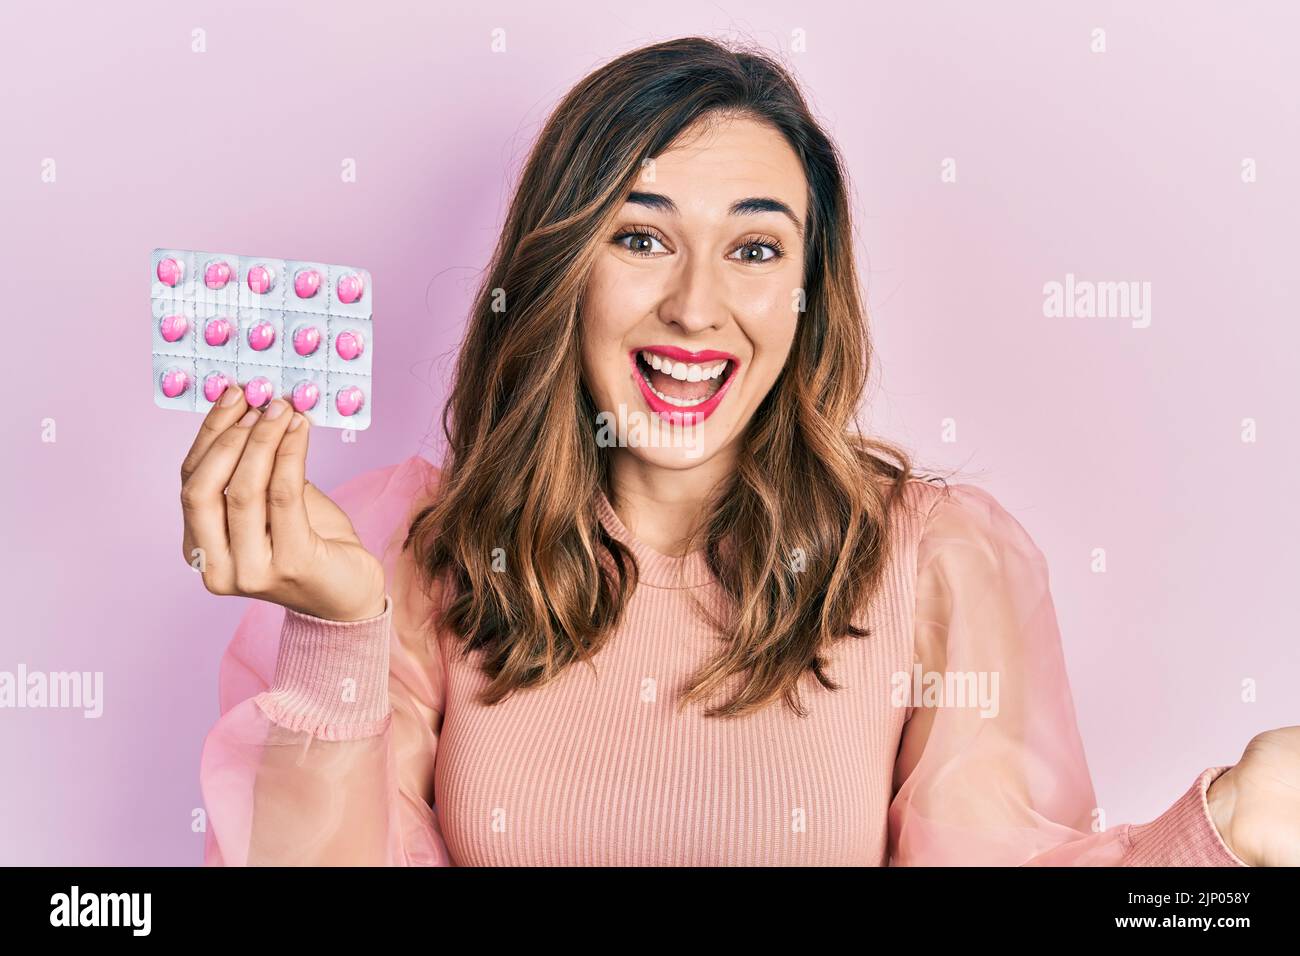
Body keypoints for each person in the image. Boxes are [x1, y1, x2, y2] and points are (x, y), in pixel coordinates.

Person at [189, 36, 1298, 866]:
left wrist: (1227, 836)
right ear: (560, 270)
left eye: (755, 247)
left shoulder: (933, 559)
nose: (695, 305)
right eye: (640, 236)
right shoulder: (411, 550)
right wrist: (336, 633)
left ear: (809, 292)